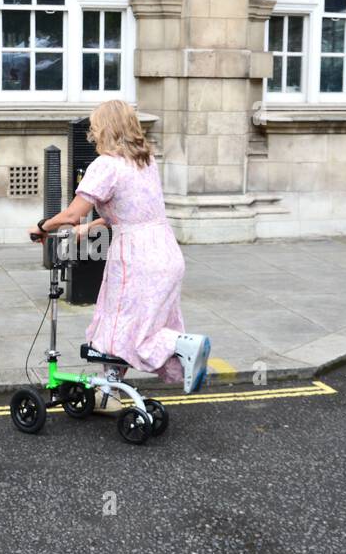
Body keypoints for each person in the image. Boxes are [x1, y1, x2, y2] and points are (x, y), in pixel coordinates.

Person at [29, 99, 211, 393]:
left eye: (95, 126)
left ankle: (183, 345)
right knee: (127, 324)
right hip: (166, 252)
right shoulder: (145, 161)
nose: (92, 132)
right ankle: (110, 390)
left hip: (136, 259)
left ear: (104, 129)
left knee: (124, 333)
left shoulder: (106, 165)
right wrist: (90, 227)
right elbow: (131, 215)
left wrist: (41, 227)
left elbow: (72, 213)